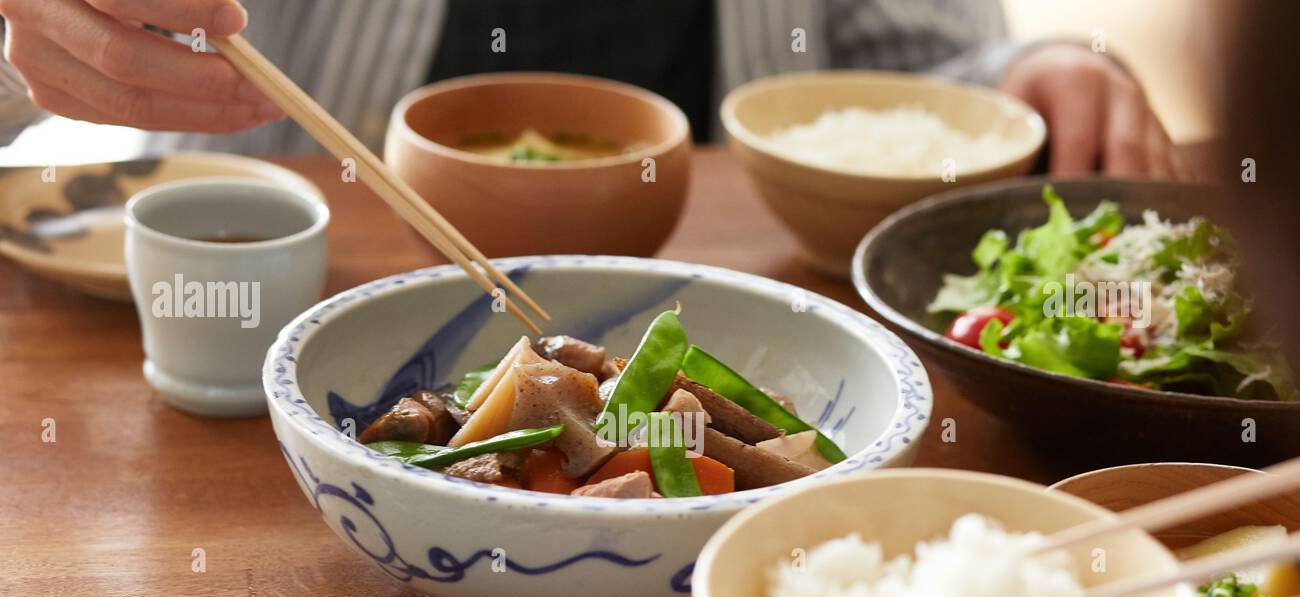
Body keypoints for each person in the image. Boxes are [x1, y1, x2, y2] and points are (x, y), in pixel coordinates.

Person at [0, 0, 1180, 176]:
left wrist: (1049, 72)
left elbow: (921, 78)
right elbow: (38, 69)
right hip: (256, 359)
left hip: (734, 342)